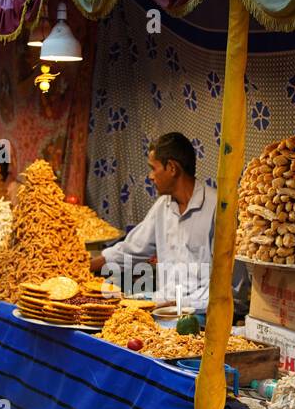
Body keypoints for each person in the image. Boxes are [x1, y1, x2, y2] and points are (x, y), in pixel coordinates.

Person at [90, 132, 214, 309]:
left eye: (153, 168)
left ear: (172, 168)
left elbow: (230, 290)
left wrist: (176, 304)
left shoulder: (216, 209)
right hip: (164, 306)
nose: (150, 176)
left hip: (200, 315)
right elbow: (132, 249)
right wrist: (85, 265)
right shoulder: (163, 206)